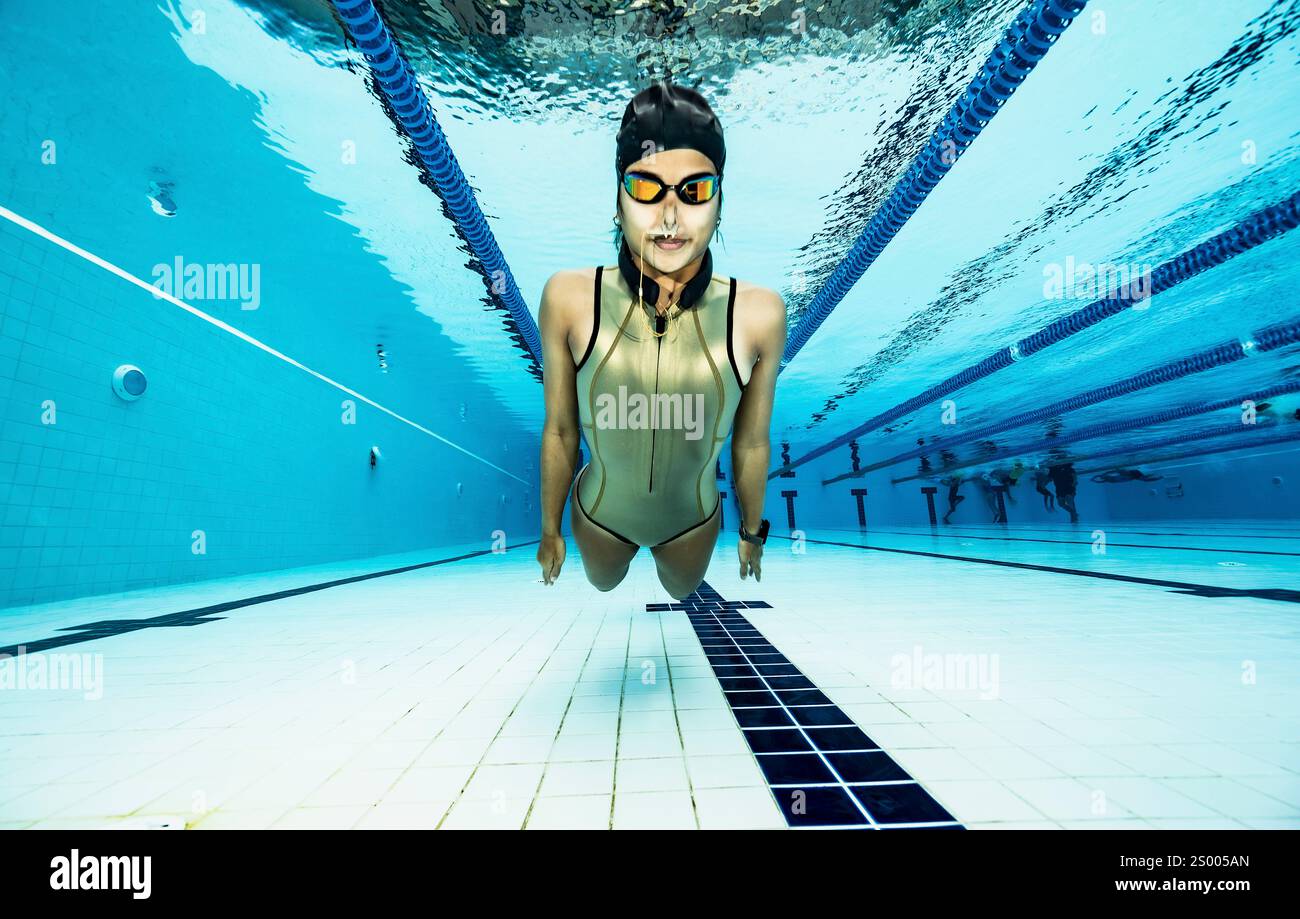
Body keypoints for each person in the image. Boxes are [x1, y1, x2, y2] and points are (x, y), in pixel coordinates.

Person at [535, 81, 787, 599]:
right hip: (600, 518)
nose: (670, 219)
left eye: (694, 191)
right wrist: (550, 529)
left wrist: (751, 532)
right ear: (618, 199)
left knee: (680, 590)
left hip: (691, 526)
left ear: (720, 202)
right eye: (647, 188)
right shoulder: (568, 298)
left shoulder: (758, 314)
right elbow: (561, 431)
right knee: (603, 582)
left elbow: (752, 442)